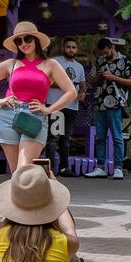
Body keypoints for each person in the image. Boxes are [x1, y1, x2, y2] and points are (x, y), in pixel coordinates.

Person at [0, 22, 77, 172]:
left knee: (23, 169)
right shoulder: (11, 64)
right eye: (19, 41)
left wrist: (49, 109)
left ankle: (41, 186)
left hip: (35, 116)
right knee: (15, 172)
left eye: (27, 39)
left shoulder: (50, 64)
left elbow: (72, 92)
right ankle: (19, 194)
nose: (23, 43)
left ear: (36, 39)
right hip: (8, 115)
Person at [86, 37, 131, 180]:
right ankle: (100, 167)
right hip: (100, 103)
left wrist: (114, 78)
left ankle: (118, 167)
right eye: (102, 53)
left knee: (117, 136)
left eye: (107, 52)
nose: (105, 56)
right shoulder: (100, 61)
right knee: (100, 137)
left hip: (115, 104)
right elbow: (92, 83)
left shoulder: (124, 61)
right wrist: (100, 77)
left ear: (112, 47)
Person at [46, 36, 86, 176]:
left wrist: (82, 92)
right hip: (56, 105)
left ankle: (64, 168)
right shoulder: (55, 62)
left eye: (73, 47)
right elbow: (48, 81)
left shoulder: (79, 67)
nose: (71, 49)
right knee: (53, 138)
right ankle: (49, 169)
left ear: (77, 50)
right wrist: (67, 86)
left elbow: (82, 85)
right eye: (68, 47)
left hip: (72, 107)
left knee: (66, 139)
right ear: (63, 48)